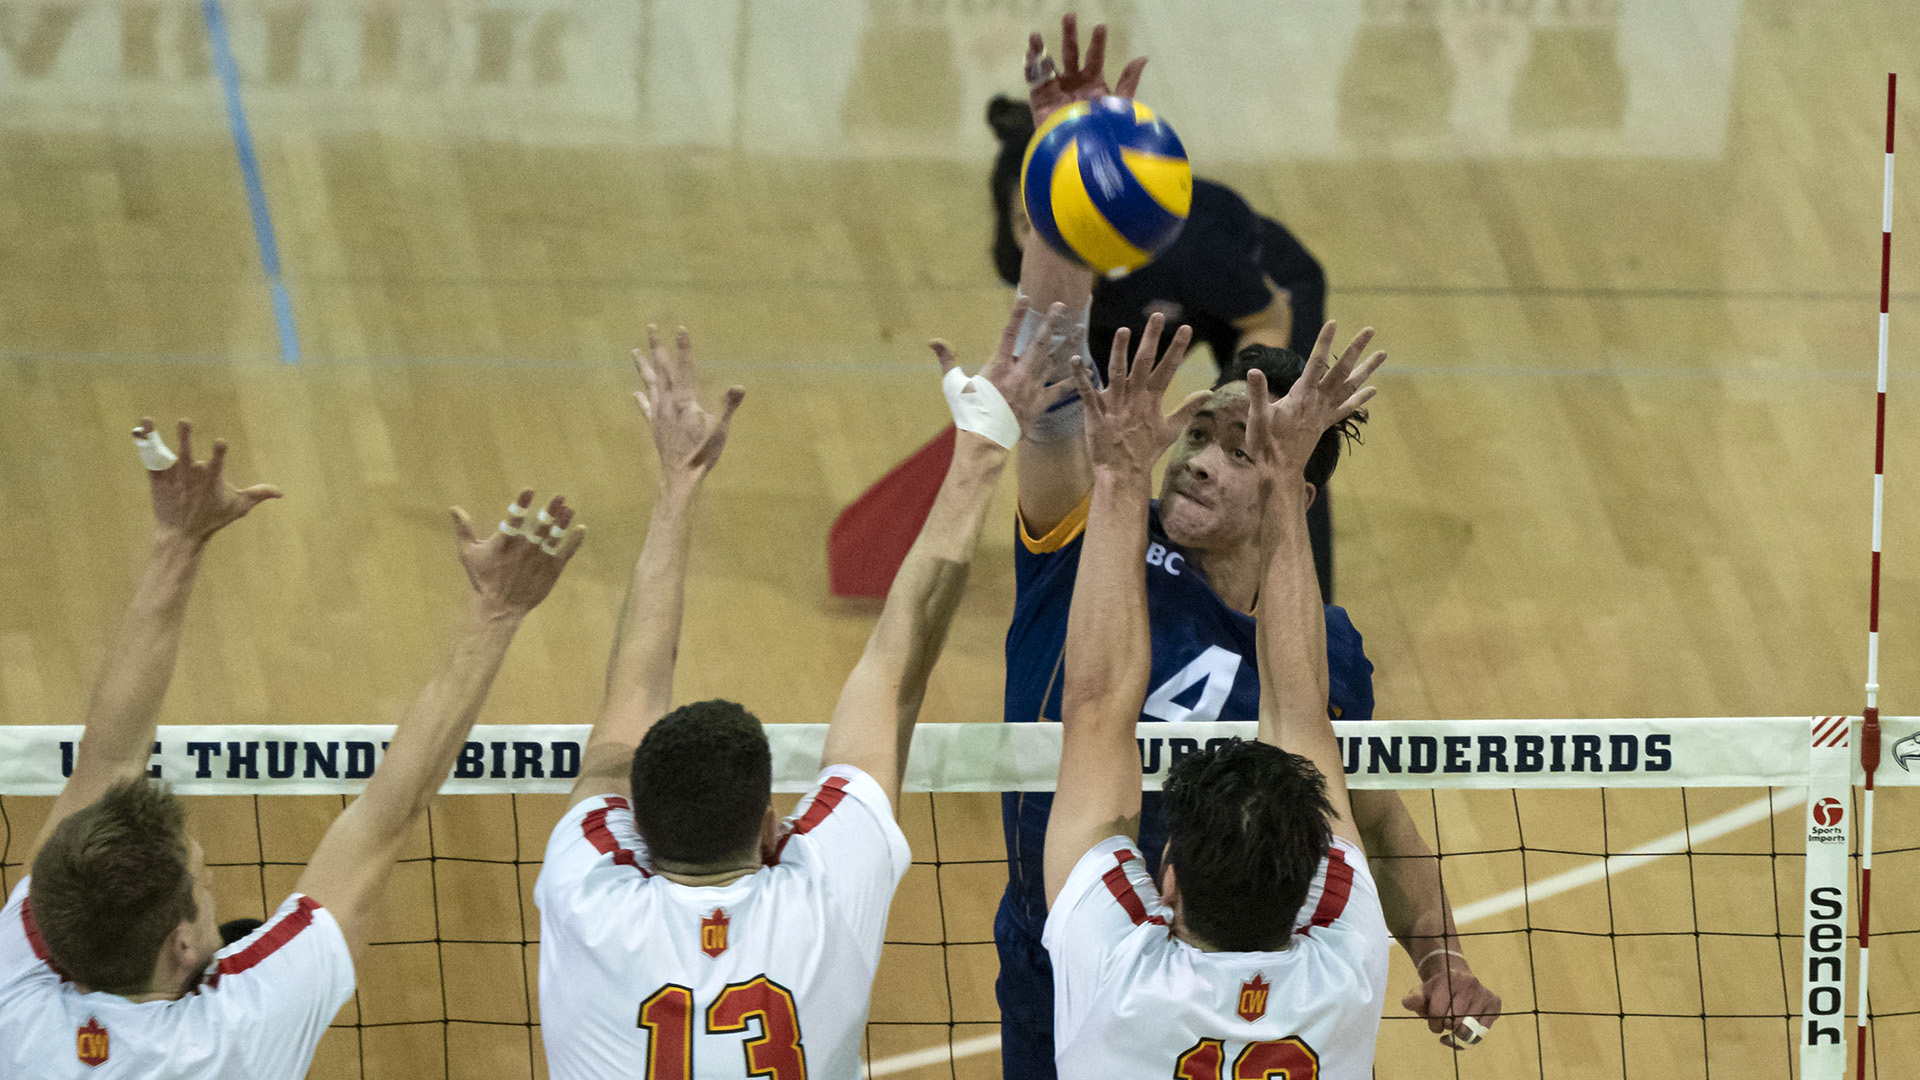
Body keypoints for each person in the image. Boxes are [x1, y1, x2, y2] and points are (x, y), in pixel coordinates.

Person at [992, 17, 1502, 1080]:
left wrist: (1442, 946)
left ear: (1290, 490)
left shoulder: (1319, 650)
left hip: (1194, 977)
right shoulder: (1091, 554)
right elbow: (1044, 394)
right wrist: (1060, 198)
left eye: (1238, 449)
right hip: (1062, 966)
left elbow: (1374, 807)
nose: (1198, 461)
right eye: (1201, 431)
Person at [535, 306, 1073, 1079]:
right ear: (768, 826)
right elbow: (892, 677)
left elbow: (624, 721)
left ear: (636, 828)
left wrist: (676, 490)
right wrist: (981, 453)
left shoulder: (585, 887)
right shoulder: (824, 896)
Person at [1, 419, 583, 1079]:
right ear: (184, 943)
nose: (210, 885)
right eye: (203, 881)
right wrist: (498, 611)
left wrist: (178, 541)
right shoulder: (240, 1029)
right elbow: (383, 816)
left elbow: (106, 763)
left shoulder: (14, 1002)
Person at [1044, 317, 1389, 1079]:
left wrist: (1117, 475)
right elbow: (1302, 717)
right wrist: (1287, 492)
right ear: (1309, 887)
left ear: (1165, 881)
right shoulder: (1351, 974)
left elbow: (1097, 706)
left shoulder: (1114, 977)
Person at [987, 88, 1337, 602]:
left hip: (1260, 297)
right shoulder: (1029, 259)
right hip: (1136, 306)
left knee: (1280, 448)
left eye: (1060, 216)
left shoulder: (1188, 250)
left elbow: (1268, 317)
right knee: (1089, 426)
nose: (1047, 235)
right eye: (1028, 223)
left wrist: (1225, 413)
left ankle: (1305, 612)